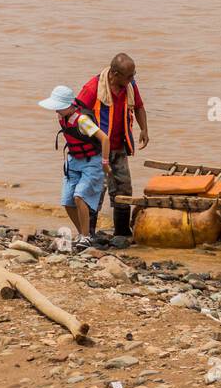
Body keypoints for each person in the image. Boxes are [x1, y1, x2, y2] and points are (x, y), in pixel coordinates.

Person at [75, 53, 147, 238]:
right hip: (97, 150)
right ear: (115, 74)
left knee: (123, 188)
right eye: (129, 76)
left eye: (134, 75)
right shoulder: (92, 88)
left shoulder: (130, 86)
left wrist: (144, 130)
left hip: (119, 147)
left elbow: (138, 106)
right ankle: (88, 233)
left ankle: (122, 232)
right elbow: (78, 116)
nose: (133, 79)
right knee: (95, 189)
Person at [39, 85, 110, 251]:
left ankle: (85, 236)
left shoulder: (83, 120)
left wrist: (105, 163)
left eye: (58, 106)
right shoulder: (61, 117)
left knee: (80, 196)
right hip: (73, 161)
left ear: (69, 105)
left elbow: (104, 139)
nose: (56, 110)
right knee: (67, 201)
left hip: (91, 162)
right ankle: (82, 234)